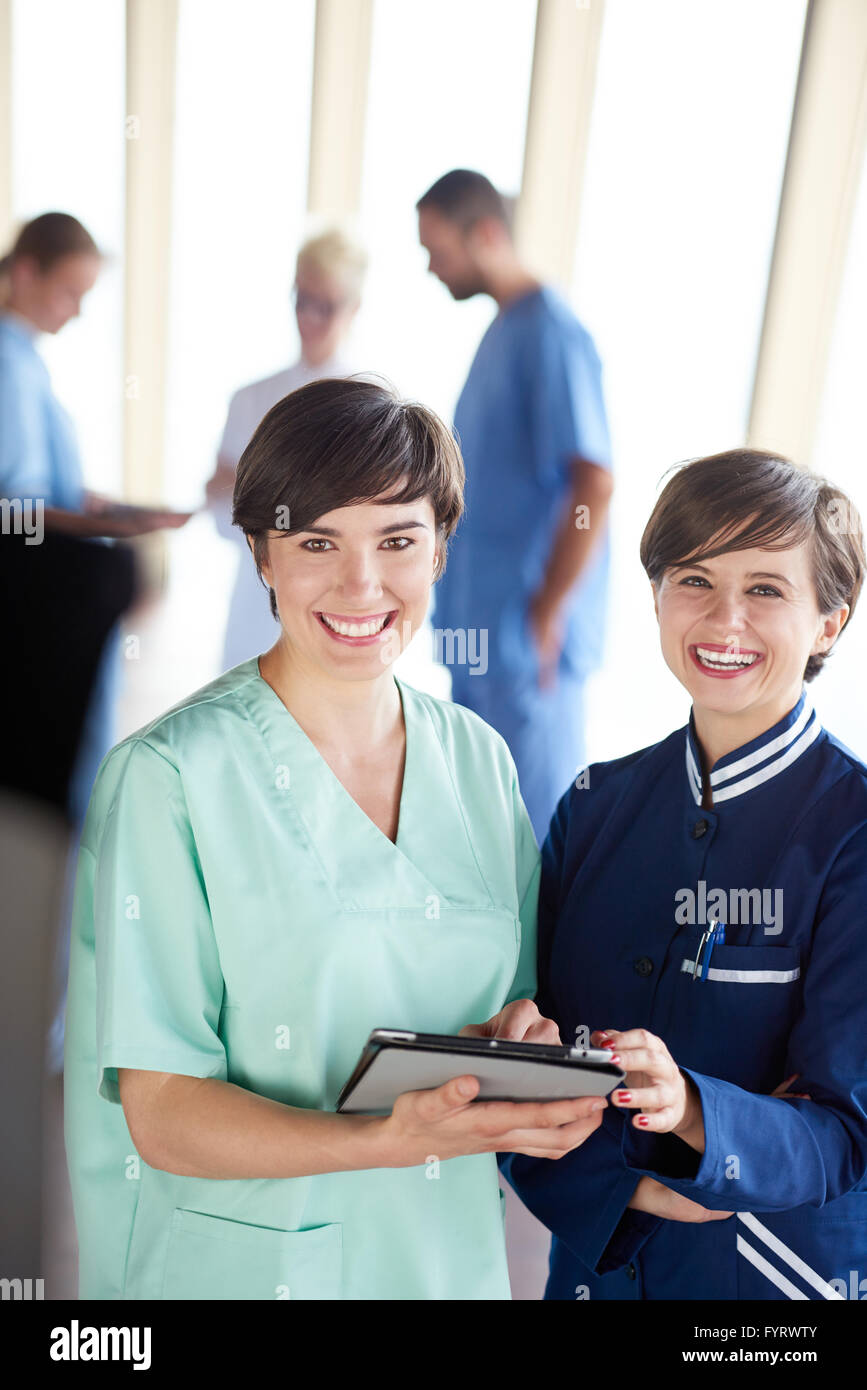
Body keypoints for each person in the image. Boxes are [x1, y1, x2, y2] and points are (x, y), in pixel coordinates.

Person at [64, 378, 609, 1301]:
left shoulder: (477, 761)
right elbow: (161, 1115)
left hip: (441, 1260)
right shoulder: (169, 779)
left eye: (397, 540)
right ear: (261, 556)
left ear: (439, 550)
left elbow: (507, 1006)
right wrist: (385, 1140)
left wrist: (521, 1043)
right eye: (317, 542)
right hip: (246, 1271)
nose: (362, 584)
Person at [500, 448, 867, 1300]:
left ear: (828, 622)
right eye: (693, 579)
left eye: (766, 589)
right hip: (591, 1278)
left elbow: (849, 1133)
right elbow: (528, 1067)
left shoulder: (852, 830)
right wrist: (621, 1183)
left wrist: (695, 1113)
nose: (723, 618)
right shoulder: (592, 806)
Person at [0, 211, 190, 1071]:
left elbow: (50, 491)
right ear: (25, 271)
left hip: (57, 637)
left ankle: (43, 1021)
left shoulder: (29, 370)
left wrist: (117, 514)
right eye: (69, 291)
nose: (74, 311)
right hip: (28, 638)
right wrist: (105, 534)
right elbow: (15, 514)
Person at [416, 169, 614, 843]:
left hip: (523, 641)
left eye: (438, 250)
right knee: (476, 834)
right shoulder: (500, 332)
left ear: (488, 234)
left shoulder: (551, 334)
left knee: (530, 841)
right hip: (477, 629)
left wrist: (548, 607)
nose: (431, 267)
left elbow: (594, 482)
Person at [205, 228, 367, 671]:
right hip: (255, 603)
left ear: (355, 308)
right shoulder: (250, 397)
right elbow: (221, 512)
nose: (310, 318)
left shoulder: (372, 407)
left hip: (334, 605)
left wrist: (255, 486)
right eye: (302, 301)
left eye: (326, 306)